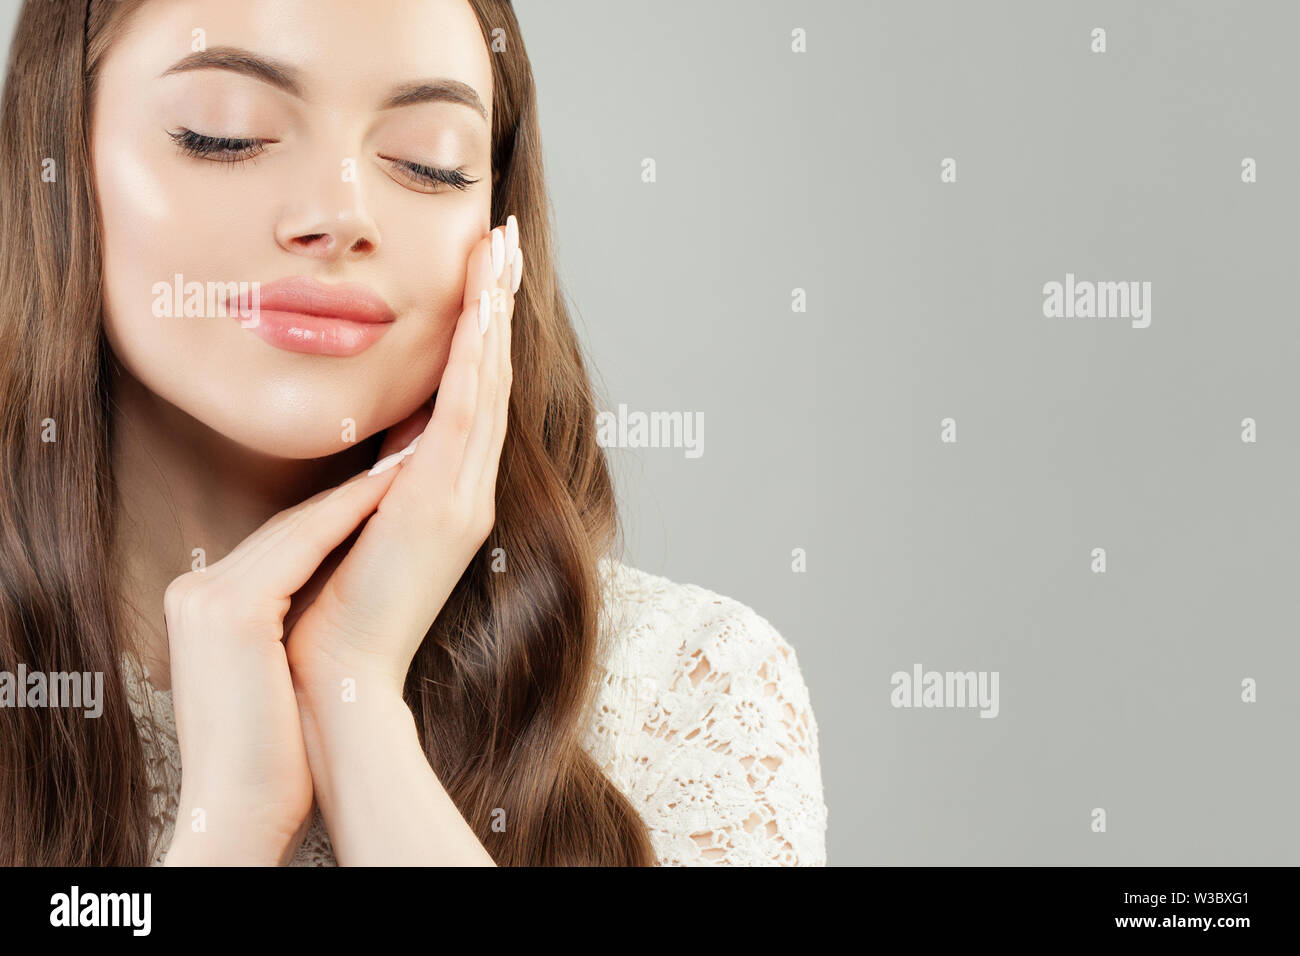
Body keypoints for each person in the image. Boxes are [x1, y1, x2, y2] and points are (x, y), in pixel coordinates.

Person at [0, 0, 828, 866]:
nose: (340, 214)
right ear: (54, 160)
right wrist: (232, 826)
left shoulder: (687, 689)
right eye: (225, 134)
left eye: (427, 164)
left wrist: (352, 695)